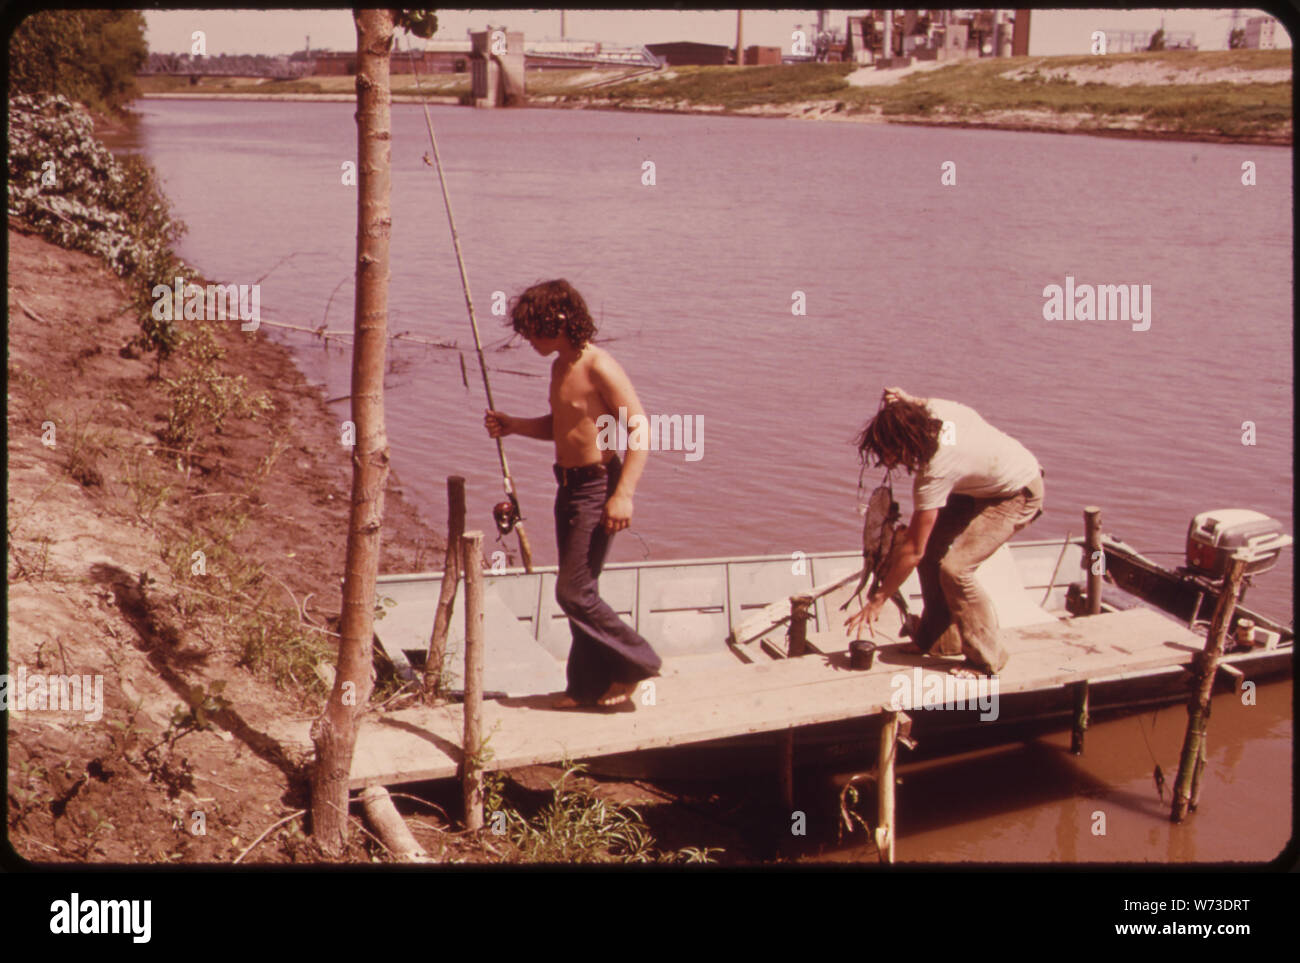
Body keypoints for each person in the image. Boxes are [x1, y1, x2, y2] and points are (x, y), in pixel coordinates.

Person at [484, 279, 662, 710]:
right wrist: (514, 425)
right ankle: (586, 688)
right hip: (567, 486)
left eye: (533, 330)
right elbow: (562, 425)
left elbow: (640, 430)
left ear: (558, 321)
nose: (527, 339)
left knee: (573, 593)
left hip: (598, 487)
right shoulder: (560, 364)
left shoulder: (599, 365)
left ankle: (638, 662)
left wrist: (624, 495)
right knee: (582, 588)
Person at [845, 387, 1044, 676]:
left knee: (955, 569)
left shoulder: (936, 471)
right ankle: (938, 640)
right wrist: (905, 398)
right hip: (975, 484)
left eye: (888, 453)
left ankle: (985, 659)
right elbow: (919, 403)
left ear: (905, 442)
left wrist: (877, 601)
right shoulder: (933, 412)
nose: (887, 462)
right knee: (932, 555)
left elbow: (913, 550)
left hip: (1017, 492)